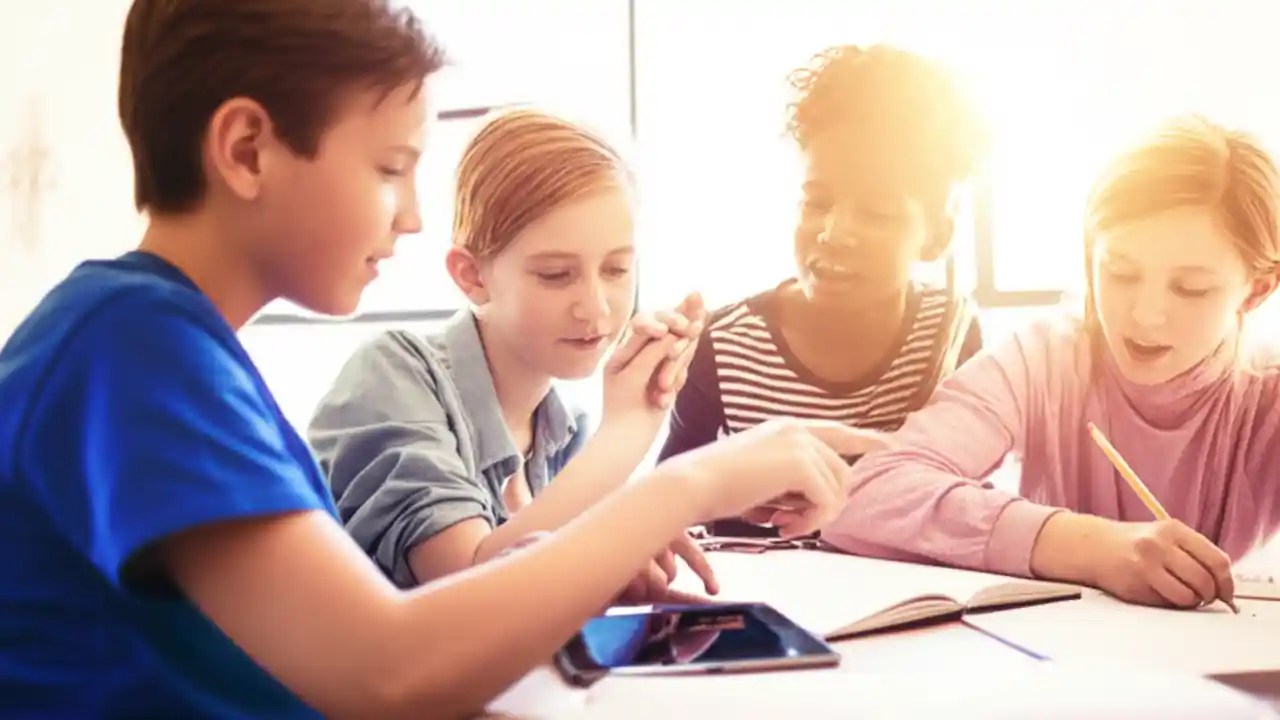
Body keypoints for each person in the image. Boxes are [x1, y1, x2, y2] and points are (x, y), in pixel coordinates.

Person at [0, 1, 887, 717]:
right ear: (246, 151)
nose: (413, 216)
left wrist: (590, 561)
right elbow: (385, 669)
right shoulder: (129, 347)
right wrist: (694, 482)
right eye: (390, 167)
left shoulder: (168, 348)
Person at [823, 116, 1280, 611]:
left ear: (1256, 290)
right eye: (1120, 272)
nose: (1145, 315)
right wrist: (1089, 549)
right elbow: (863, 494)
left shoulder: (1267, 397)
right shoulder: (1041, 359)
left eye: (1191, 289)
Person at [308, 109, 715, 598]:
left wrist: (617, 549)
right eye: (555, 275)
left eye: (616, 270)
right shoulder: (391, 376)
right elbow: (472, 587)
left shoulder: (564, 432)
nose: (596, 307)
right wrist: (626, 436)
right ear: (472, 276)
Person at [657, 44, 987, 535]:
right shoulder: (722, 345)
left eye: (876, 213)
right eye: (817, 202)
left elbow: (958, 497)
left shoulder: (950, 334)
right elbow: (665, 510)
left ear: (936, 235)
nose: (833, 232)